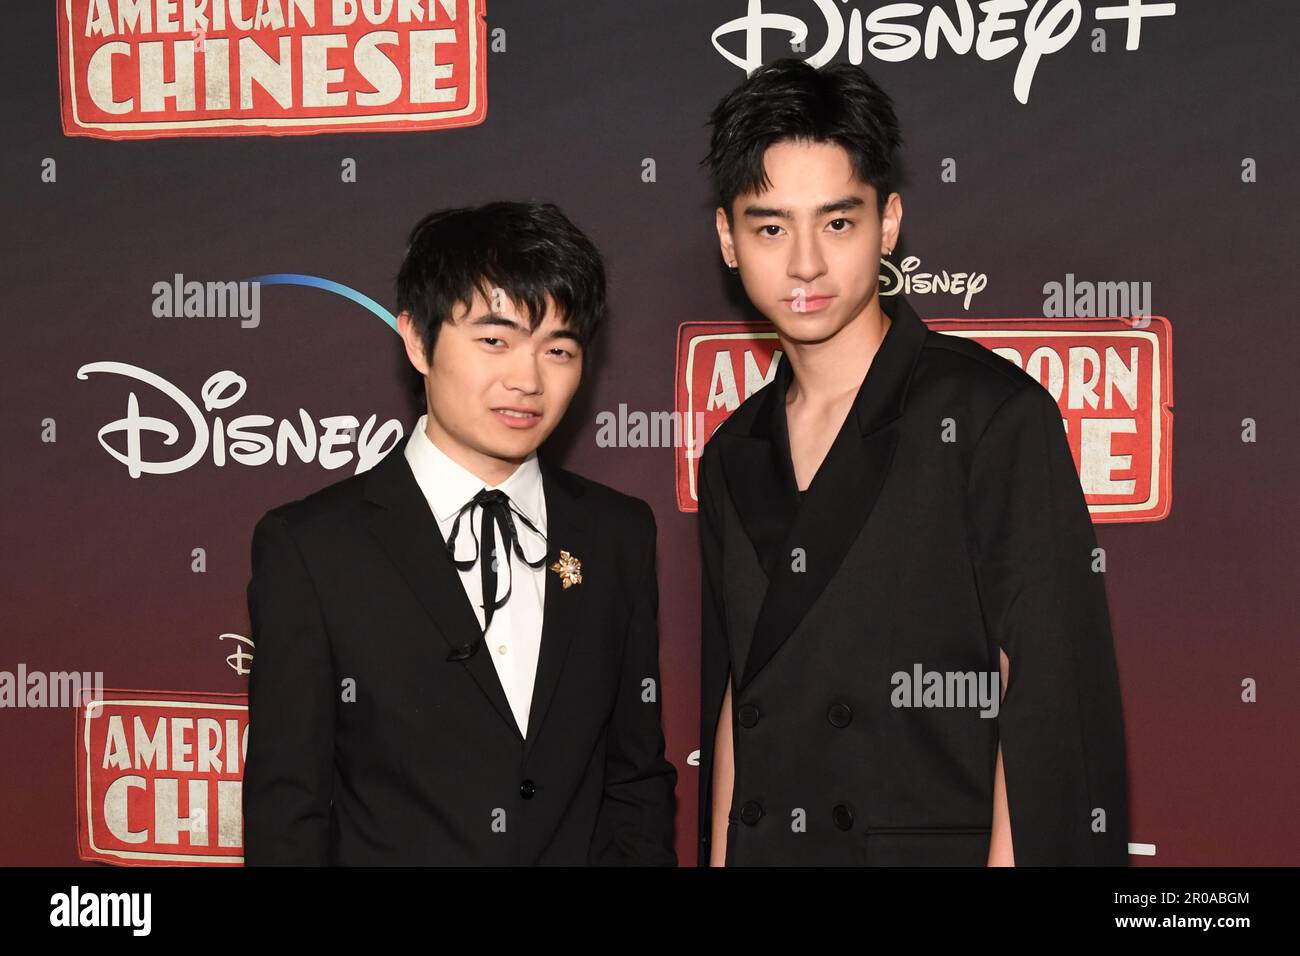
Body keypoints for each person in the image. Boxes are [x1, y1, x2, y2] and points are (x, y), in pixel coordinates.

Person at [696, 59, 1129, 866]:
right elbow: (734, 696)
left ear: (888, 223)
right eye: (769, 227)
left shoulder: (989, 415)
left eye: (837, 222)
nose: (804, 265)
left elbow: (1047, 699)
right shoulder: (732, 452)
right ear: (728, 238)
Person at [243, 200, 677, 865]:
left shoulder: (616, 534)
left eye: (558, 349)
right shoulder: (313, 549)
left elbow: (636, 779)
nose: (527, 380)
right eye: (494, 340)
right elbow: (287, 813)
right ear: (417, 340)